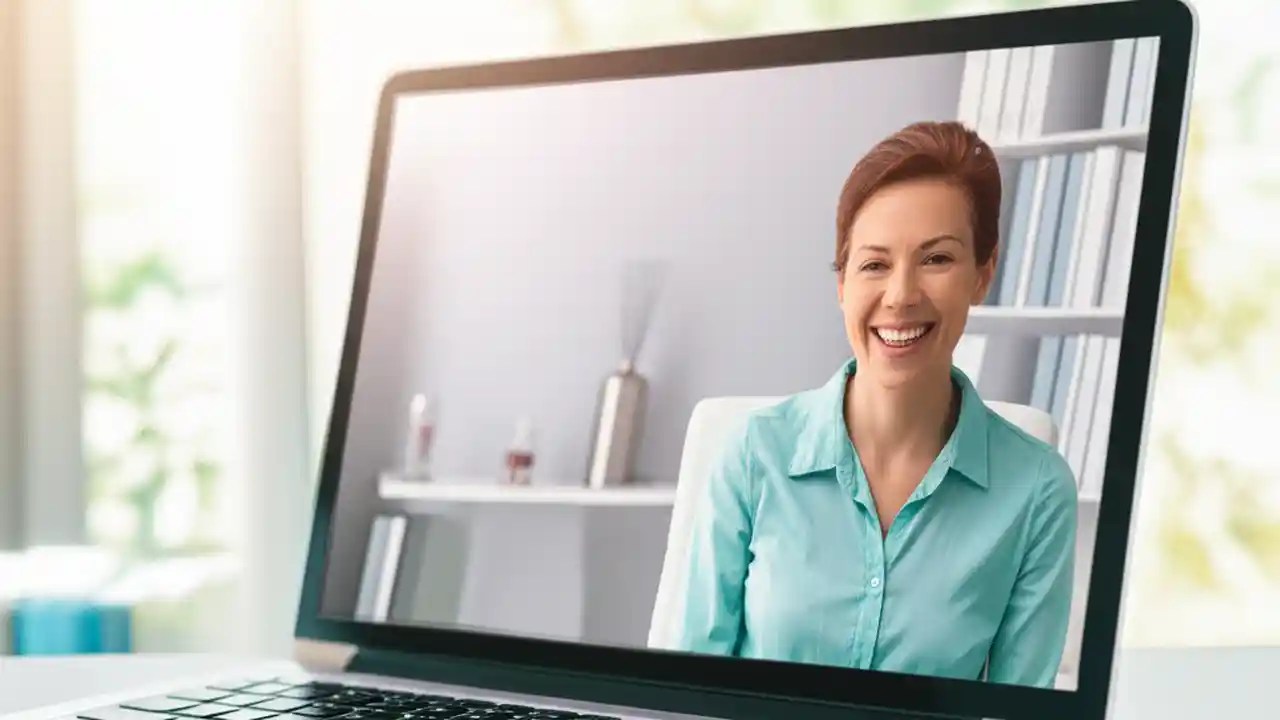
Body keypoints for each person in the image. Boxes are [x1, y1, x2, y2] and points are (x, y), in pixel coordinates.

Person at [672, 120, 1078, 689]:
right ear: (842, 283)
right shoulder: (752, 454)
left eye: (936, 259)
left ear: (982, 275)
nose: (901, 295)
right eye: (874, 264)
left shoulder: (1037, 492)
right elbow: (681, 694)